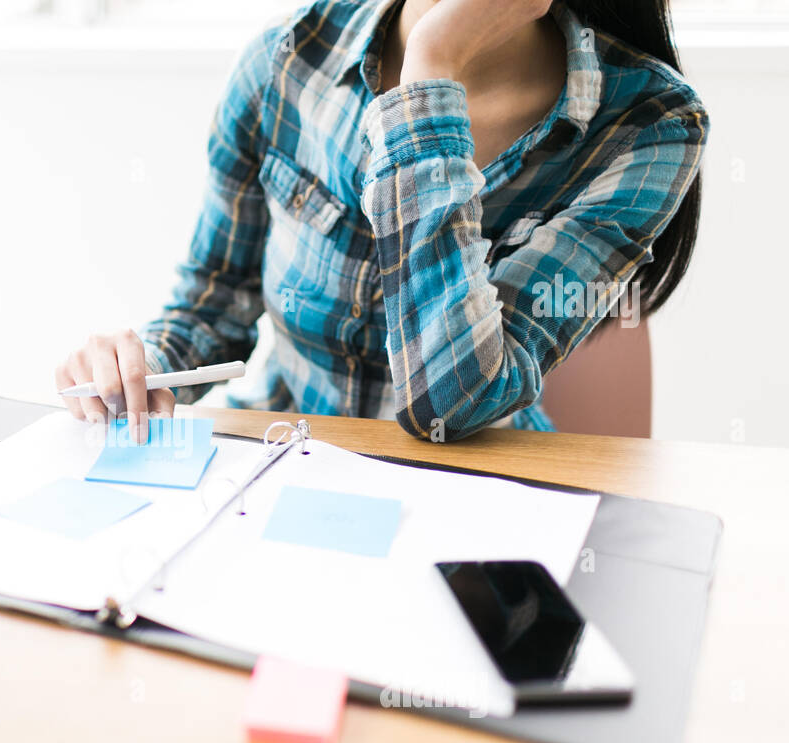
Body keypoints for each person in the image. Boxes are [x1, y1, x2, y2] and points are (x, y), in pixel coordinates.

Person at [55, 0, 706, 443]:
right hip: (284, 474)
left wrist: (432, 68)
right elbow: (213, 302)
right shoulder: (287, 58)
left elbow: (451, 406)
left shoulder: (651, 123)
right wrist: (141, 367)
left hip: (478, 507)